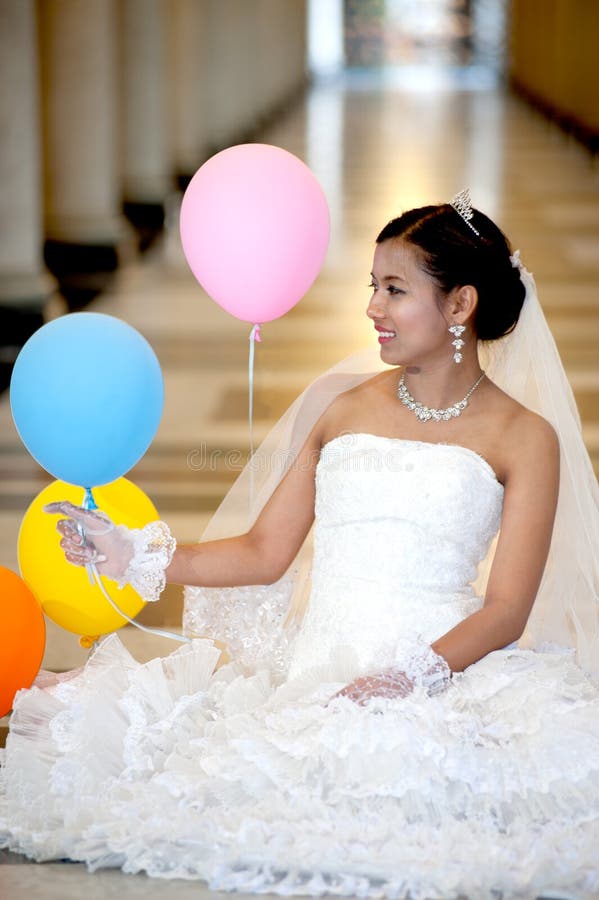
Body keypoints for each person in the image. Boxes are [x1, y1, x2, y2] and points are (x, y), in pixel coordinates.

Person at [1, 192, 598, 898]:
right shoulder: (342, 405)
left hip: (436, 674)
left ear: (460, 304)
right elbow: (262, 552)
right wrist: (136, 553)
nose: (371, 308)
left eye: (394, 290)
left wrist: (408, 679)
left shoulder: (525, 436)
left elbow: (505, 610)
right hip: (315, 668)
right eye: (372, 286)